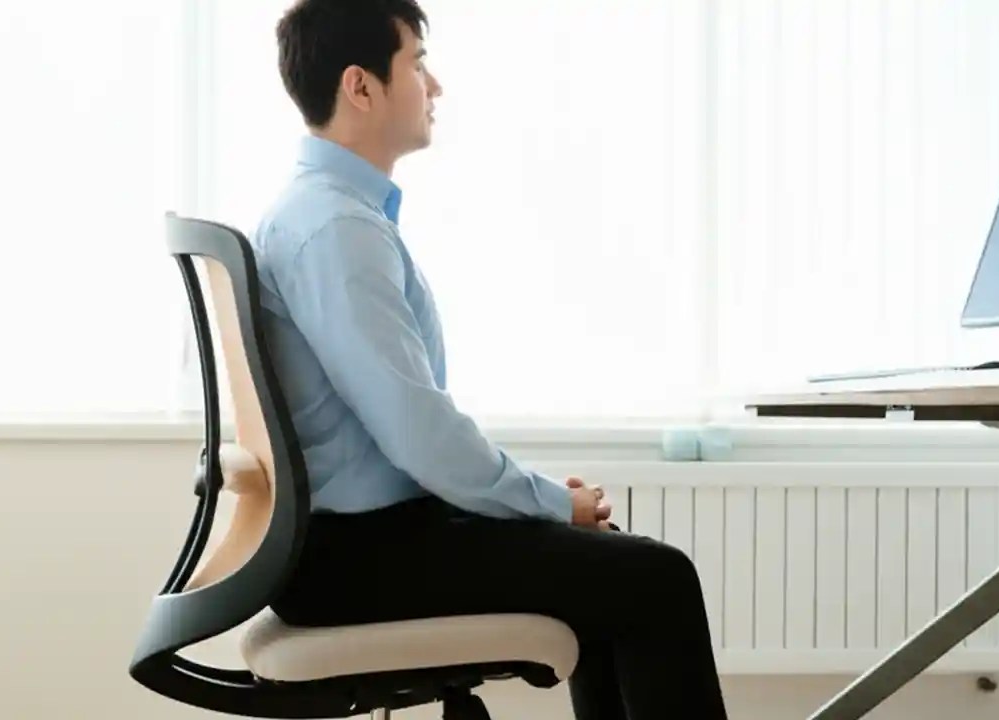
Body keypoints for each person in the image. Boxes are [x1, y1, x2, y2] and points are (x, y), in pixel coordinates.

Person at [254, 1, 729, 718]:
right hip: (355, 557)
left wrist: (543, 507)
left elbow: (412, 437)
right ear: (361, 86)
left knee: (619, 572)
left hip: (358, 541)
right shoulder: (336, 228)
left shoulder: (321, 213)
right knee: (657, 578)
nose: (434, 86)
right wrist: (551, 504)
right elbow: (419, 434)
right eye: (417, 64)